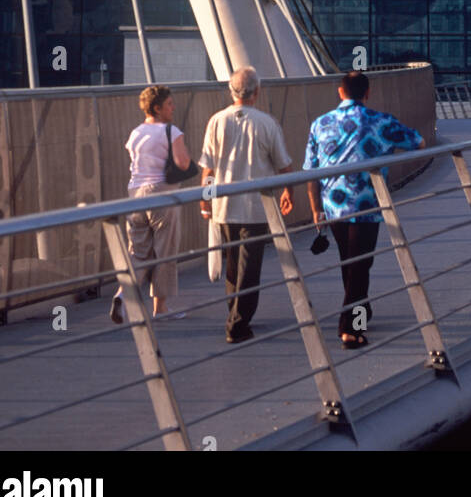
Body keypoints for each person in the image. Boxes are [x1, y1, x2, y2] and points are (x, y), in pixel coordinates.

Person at [303, 71, 426, 350]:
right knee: (359, 263)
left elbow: (310, 171)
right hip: (367, 204)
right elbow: (419, 142)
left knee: (352, 261)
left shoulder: (319, 124)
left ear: (340, 92)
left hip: (333, 205)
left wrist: (315, 210)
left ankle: (363, 309)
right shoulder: (382, 121)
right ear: (367, 93)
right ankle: (350, 328)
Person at [198, 67, 293, 344]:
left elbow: (208, 169)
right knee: (250, 268)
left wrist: (206, 204)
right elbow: (284, 164)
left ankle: (234, 312)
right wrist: (289, 190)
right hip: (256, 207)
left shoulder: (216, 121)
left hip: (223, 206)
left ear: (231, 91)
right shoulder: (267, 123)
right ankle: (238, 325)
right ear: (257, 92)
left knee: (232, 265)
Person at [110, 85, 192, 322]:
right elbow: (183, 162)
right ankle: (161, 308)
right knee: (165, 249)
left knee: (138, 251)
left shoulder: (135, 133)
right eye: (169, 104)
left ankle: (122, 294)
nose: (173, 108)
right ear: (158, 107)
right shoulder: (171, 131)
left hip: (135, 194)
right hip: (161, 192)